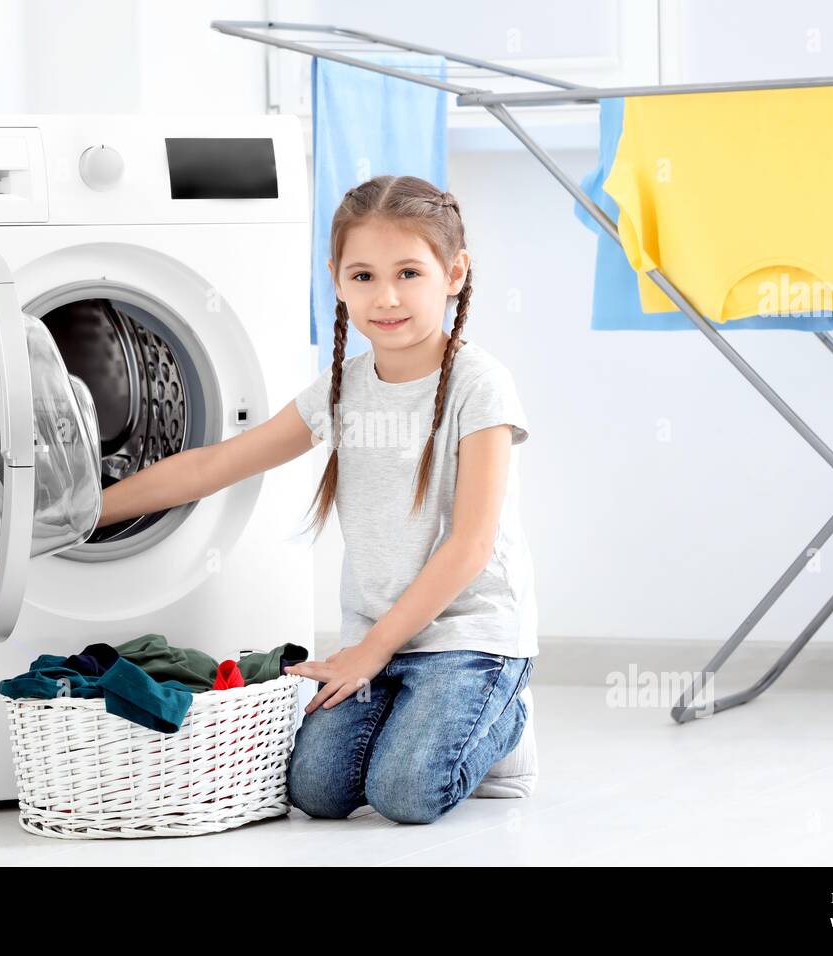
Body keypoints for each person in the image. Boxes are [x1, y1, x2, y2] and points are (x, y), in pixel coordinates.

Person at [98, 174, 538, 824]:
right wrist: (89, 512)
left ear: (454, 273)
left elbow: (471, 545)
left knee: (405, 795)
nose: (385, 297)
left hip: (467, 638)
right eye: (363, 276)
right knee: (316, 791)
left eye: (409, 273)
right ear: (336, 279)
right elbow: (217, 464)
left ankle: (504, 720)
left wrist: (370, 652)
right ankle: (414, 711)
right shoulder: (340, 388)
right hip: (377, 638)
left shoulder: (482, 385)